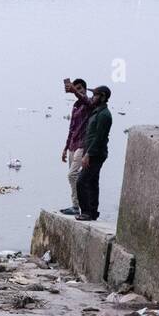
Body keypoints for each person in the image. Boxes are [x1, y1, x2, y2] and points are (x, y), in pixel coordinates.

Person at [75, 85, 113, 221]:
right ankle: (92, 212)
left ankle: (86, 212)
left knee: (81, 181)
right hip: (91, 152)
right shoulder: (97, 111)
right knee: (92, 182)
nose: (93, 97)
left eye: (95, 95)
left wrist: (88, 154)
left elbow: (99, 137)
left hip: (95, 154)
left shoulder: (104, 115)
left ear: (102, 97)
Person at [60, 78, 90, 216]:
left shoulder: (88, 103)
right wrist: (65, 147)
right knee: (73, 177)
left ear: (84, 89)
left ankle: (81, 205)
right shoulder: (76, 106)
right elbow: (71, 128)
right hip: (73, 144)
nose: (78, 91)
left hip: (82, 145)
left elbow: (85, 100)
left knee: (73, 174)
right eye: (76, 89)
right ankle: (75, 205)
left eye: (80, 89)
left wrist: (75, 91)